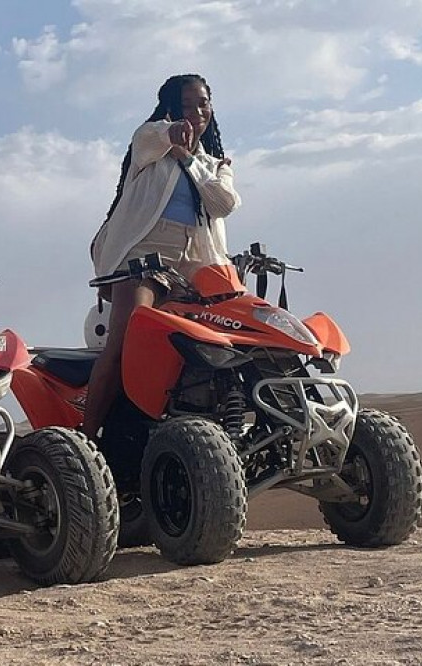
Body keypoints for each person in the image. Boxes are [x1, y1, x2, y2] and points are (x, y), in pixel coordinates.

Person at [80, 73, 241, 439]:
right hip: (144, 254)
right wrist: (172, 139)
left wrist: (188, 158)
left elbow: (223, 203)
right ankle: (86, 438)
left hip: (194, 262)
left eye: (203, 103)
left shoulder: (217, 165)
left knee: (209, 343)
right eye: (186, 105)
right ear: (170, 109)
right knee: (126, 340)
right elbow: (153, 137)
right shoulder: (150, 141)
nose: (197, 112)